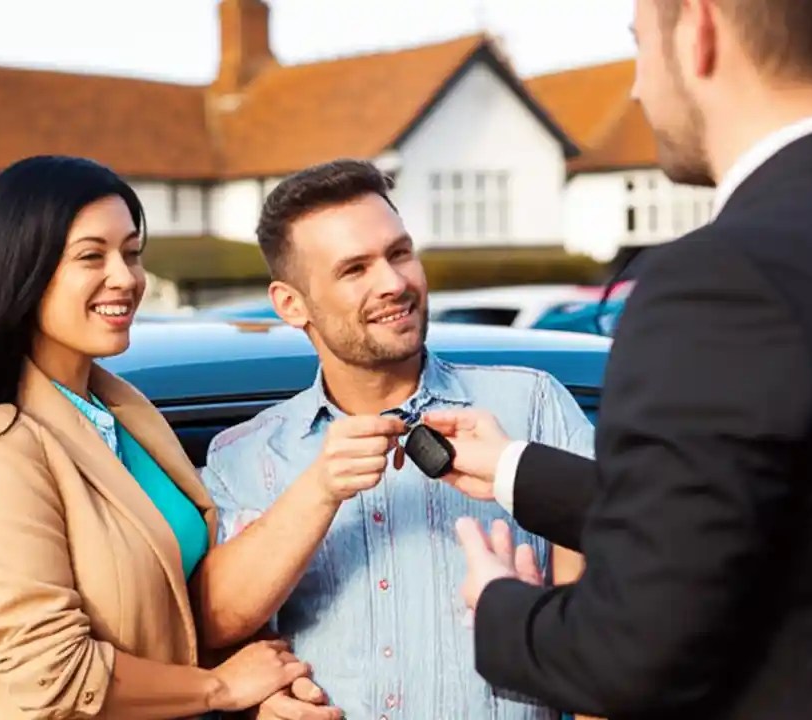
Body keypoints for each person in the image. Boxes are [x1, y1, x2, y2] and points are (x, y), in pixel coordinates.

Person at [424, 1, 812, 717]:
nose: (638, 87)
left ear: (699, 30)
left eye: (639, 45)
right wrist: (515, 468)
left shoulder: (716, 282)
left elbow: (634, 655)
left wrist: (498, 607)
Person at [0, 155, 325, 719]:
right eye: (92, 256)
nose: (126, 278)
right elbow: (52, 676)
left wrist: (257, 690)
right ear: (23, 271)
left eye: (131, 253)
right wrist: (219, 688)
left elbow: (170, 611)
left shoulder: (124, 412)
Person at [198, 159, 594, 720]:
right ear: (290, 304)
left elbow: (622, 605)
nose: (393, 282)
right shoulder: (243, 455)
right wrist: (318, 491)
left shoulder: (533, 406)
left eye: (399, 253)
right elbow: (213, 624)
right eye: (354, 269)